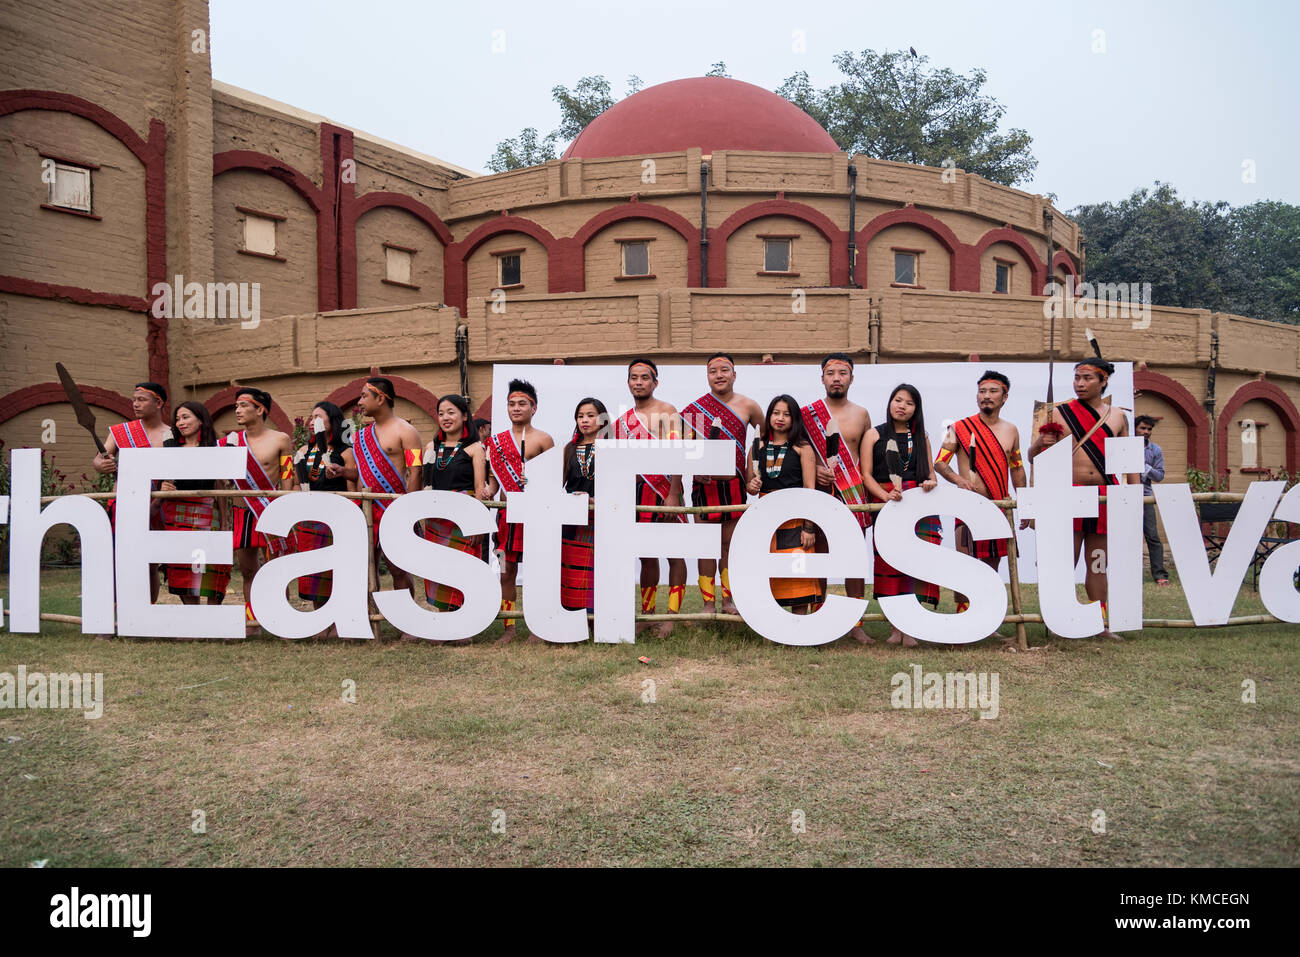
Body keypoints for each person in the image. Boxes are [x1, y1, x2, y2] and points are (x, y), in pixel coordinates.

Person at [1028, 357, 1140, 641]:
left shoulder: (1117, 417)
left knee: (1098, 563)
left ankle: (1098, 623)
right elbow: (1033, 459)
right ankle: (1061, 619)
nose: (1080, 383)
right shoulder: (1058, 413)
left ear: (1103, 381)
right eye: (1077, 377)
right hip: (1070, 495)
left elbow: (1129, 463)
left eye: (1087, 378)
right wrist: (1041, 444)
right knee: (1065, 562)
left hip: (1104, 497)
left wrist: (1135, 499)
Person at [933, 370, 1029, 629]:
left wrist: (1027, 505)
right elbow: (941, 463)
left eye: (993, 392)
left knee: (991, 569)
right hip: (968, 508)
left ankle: (985, 622)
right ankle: (964, 623)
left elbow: (1017, 469)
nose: (986, 396)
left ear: (1005, 396)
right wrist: (959, 480)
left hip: (999, 508)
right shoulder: (960, 428)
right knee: (966, 568)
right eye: (982, 392)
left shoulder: (1011, 430)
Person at [681, 353, 764, 616]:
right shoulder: (694, 409)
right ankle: (708, 603)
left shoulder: (749, 406)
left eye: (724, 370)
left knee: (729, 545)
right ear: (707, 376)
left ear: (734, 374)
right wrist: (695, 468)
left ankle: (728, 600)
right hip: (703, 486)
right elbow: (683, 446)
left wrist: (753, 473)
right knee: (706, 545)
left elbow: (762, 441)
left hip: (735, 484)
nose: (719, 375)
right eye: (713, 371)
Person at [340, 376, 423, 639]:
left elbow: (415, 471)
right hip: (367, 508)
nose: (360, 402)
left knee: (399, 568)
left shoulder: (406, 431)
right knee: (365, 567)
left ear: (381, 398)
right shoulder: (361, 436)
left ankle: (406, 623)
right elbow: (361, 475)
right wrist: (342, 472)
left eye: (365, 396)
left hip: (394, 506)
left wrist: (408, 509)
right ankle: (368, 620)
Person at [800, 353, 873, 644]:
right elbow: (800, 451)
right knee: (820, 557)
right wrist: (815, 469)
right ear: (822, 378)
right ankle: (820, 618)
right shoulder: (807, 414)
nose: (836, 378)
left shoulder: (862, 414)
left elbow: (867, 458)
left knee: (854, 559)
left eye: (842, 373)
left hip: (853, 493)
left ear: (852, 378)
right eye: (830, 373)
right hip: (820, 494)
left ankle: (855, 623)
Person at [614, 358, 687, 637]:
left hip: (665, 490)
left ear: (655, 382)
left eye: (645, 377)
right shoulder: (623, 421)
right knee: (646, 555)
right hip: (639, 493)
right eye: (634, 377)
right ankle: (647, 613)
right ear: (628, 382)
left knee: (674, 554)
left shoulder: (667, 411)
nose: (639, 382)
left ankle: (671, 617)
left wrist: (673, 493)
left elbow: (678, 453)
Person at [862, 384, 940, 646]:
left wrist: (929, 482)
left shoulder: (922, 437)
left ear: (916, 409)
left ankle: (914, 626)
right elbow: (867, 475)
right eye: (898, 400)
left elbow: (930, 473)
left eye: (908, 403)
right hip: (887, 503)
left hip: (918, 506)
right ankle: (896, 628)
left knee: (916, 564)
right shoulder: (874, 434)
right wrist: (885, 497)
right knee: (889, 563)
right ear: (890, 402)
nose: (902, 406)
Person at [484, 379, 555, 644]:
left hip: (533, 517)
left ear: (533, 408)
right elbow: (494, 483)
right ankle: (509, 627)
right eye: (511, 404)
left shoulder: (543, 439)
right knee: (506, 570)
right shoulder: (495, 442)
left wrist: (534, 481)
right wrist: (487, 491)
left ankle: (538, 626)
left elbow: (552, 479)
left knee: (537, 571)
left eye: (522, 404)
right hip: (505, 517)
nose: (516, 408)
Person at [92, 381, 173, 604]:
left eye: (141, 400)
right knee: (117, 559)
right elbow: (99, 459)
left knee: (150, 562)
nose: (135, 404)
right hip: (123, 503)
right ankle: (111, 616)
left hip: (156, 504)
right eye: (134, 400)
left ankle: (148, 613)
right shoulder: (122, 432)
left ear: (158, 403)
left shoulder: (172, 434)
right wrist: (102, 465)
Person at [418, 394, 491, 640]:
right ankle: (443, 622)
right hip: (436, 520)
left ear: (464, 416)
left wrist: (477, 524)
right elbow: (425, 486)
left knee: (462, 569)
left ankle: (464, 625)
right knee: (438, 569)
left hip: (463, 519)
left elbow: (480, 488)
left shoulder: (475, 449)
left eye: (451, 412)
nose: (445, 418)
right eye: (441, 413)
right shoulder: (430, 448)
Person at [223, 386, 294, 634]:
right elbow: (223, 482)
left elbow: (287, 475)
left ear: (260, 409)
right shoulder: (230, 442)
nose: (238, 410)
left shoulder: (280, 439)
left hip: (271, 511)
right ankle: (252, 621)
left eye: (243, 405)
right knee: (248, 570)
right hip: (242, 511)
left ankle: (282, 617)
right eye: (236, 406)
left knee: (276, 568)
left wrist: (286, 508)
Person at [745, 395, 822, 614]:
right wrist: (753, 484)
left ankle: (798, 626)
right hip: (766, 519)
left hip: (795, 517)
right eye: (776, 413)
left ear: (794, 418)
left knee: (798, 571)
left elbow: (810, 490)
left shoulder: (802, 448)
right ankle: (770, 628)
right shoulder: (757, 445)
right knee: (769, 570)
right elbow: (750, 487)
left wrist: (809, 527)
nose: (780, 418)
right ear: (769, 416)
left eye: (787, 414)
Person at [159, 401, 231, 613]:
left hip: (208, 513)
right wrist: (163, 486)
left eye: (186, 417)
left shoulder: (215, 449)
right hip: (177, 514)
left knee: (211, 565)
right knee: (180, 565)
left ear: (201, 419)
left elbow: (220, 486)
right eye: (178, 419)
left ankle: (211, 616)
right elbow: (162, 482)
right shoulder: (170, 450)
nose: (181, 423)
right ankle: (193, 616)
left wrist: (225, 521)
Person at [292, 401, 352, 635]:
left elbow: (353, 484)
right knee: (313, 570)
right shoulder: (303, 452)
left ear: (332, 421)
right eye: (311, 416)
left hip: (336, 517)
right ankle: (321, 620)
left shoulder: (345, 452)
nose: (311, 420)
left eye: (318, 416)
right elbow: (297, 483)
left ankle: (338, 620)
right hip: (310, 517)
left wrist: (342, 470)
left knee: (335, 570)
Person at [558, 397, 607, 619]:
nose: (585, 420)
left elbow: (619, 483)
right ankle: (573, 612)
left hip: (602, 516)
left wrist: (599, 500)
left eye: (590, 415)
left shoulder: (612, 447)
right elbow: (557, 482)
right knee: (572, 565)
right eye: (580, 416)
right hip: (572, 516)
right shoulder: (569, 449)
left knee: (600, 565)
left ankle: (597, 614)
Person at [1135, 414, 1169, 585]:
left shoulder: (1155, 450)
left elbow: (1160, 476)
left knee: (1153, 536)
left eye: (1149, 429)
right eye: (1142, 428)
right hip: (1123, 496)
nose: (1146, 432)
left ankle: (1159, 574)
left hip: (1145, 498)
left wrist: (1144, 467)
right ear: (1135, 429)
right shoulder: (1122, 446)